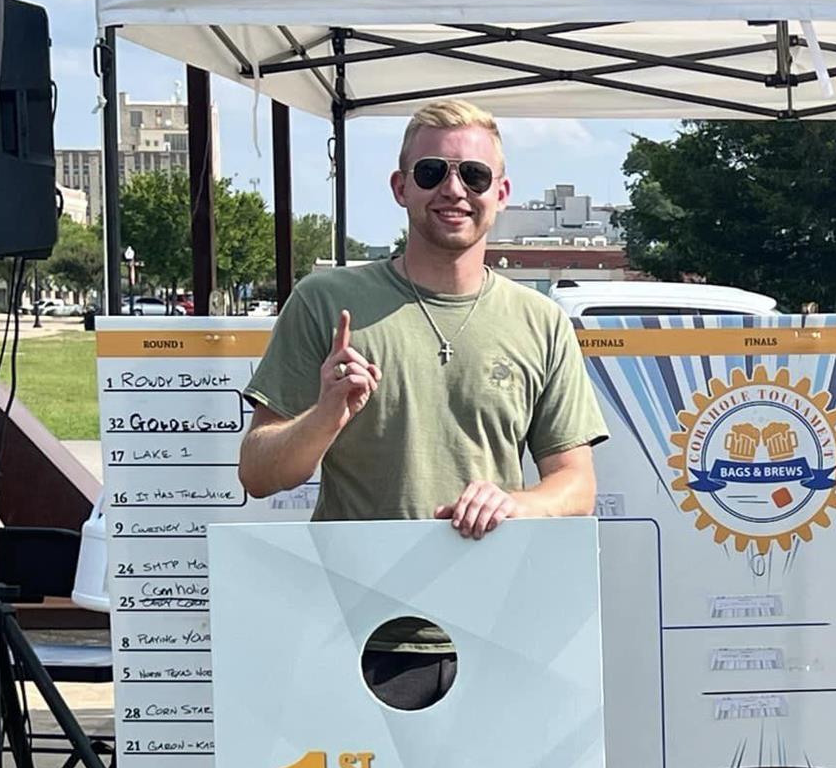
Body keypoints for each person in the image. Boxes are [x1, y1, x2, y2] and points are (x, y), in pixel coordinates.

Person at [239, 100, 606, 709]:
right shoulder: (326, 301)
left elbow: (576, 486)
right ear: (401, 186)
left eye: (474, 176)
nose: (453, 190)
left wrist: (512, 505)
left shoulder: (540, 322)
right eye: (433, 173)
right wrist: (328, 412)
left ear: (502, 192)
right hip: (358, 632)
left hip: (495, 631)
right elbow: (258, 471)